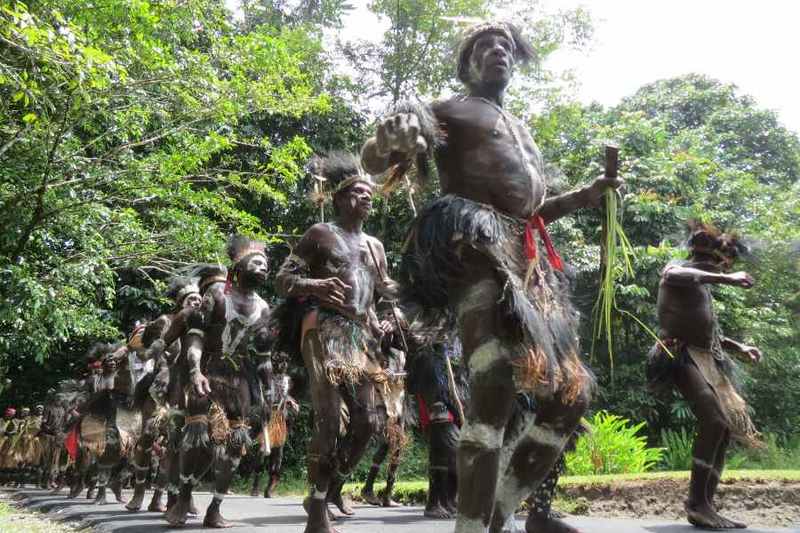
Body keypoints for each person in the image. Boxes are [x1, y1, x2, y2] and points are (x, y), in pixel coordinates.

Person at [361, 21, 622, 533]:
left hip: (527, 259)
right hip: (476, 244)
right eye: (485, 46)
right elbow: (379, 156)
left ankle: (499, 514)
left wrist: (588, 195)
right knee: (495, 378)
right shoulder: (447, 110)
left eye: (505, 46)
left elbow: (534, 211)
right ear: (468, 63)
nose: (497, 51)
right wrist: (382, 142)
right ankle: (471, 526)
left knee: (571, 395)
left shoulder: (522, 129)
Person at [274, 151, 397, 533]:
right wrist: (315, 285)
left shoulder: (376, 246)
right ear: (341, 198)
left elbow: (383, 292)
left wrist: (397, 312)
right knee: (329, 419)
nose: (367, 198)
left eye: (370, 194)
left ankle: (327, 489)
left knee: (370, 421)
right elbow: (282, 279)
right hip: (323, 329)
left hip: (363, 337)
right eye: (359, 192)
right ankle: (316, 511)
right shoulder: (320, 234)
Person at [648, 221, 761, 530]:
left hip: (704, 356)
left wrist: (740, 347)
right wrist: (727, 279)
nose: (712, 266)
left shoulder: (701, 287)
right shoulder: (677, 269)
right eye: (709, 262)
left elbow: (706, 331)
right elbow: (675, 274)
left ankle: (706, 505)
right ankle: (697, 504)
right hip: (679, 354)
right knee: (713, 420)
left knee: (723, 428)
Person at [164, 236, 270, 528]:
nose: (263, 268)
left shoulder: (264, 309)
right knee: (197, 438)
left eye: (266, 265)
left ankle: (215, 507)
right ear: (238, 267)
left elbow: (263, 357)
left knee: (236, 445)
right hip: (209, 373)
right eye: (256, 262)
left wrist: (268, 391)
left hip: (241, 381)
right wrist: (195, 371)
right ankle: (183, 496)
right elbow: (195, 339)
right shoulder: (216, 299)